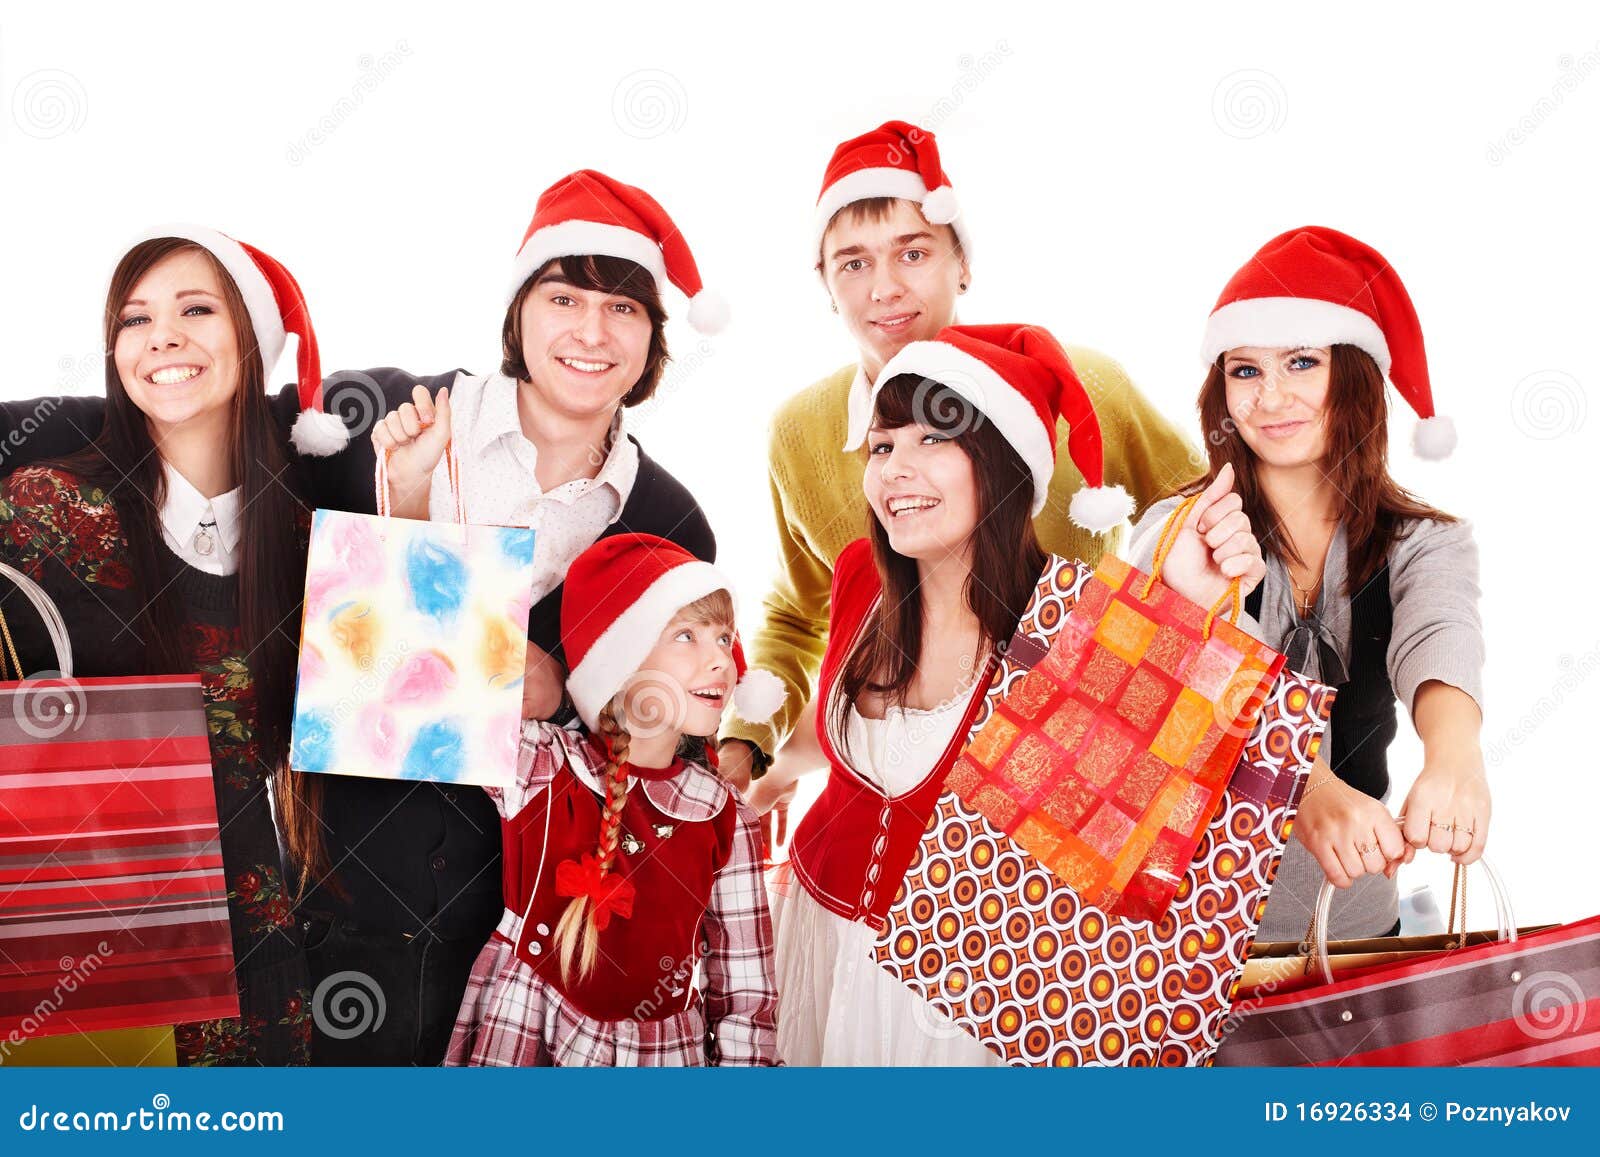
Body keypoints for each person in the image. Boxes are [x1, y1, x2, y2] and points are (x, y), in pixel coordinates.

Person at [0, 172, 724, 1064]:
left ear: (656, 337)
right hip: (322, 911)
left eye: (623, 308)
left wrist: (575, 697)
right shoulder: (371, 415)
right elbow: (187, 412)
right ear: (518, 312)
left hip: (513, 946)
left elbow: (653, 741)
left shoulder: (671, 521)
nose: (590, 331)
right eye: (563, 297)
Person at [769, 323, 1263, 1064]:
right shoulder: (858, 576)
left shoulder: (1069, 623)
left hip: (959, 990)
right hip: (813, 936)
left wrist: (1190, 607)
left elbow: (1127, 805)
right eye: (881, 445)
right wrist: (767, 771)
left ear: (1001, 463)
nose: (896, 469)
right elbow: (834, 722)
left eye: (932, 439)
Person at [718, 122, 1199, 838]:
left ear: (963, 264)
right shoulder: (799, 431)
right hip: (887, 799)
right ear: (824, 284)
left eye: (913, 252)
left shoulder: (1082, 386)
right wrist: (746, 746)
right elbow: (800, 614)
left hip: (1063, 790)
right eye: (853, 263)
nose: (885, 288)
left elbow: (1196, 515)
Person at [0, 227, 346, 1064]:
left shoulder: (306, 543)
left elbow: (390, 733)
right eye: (135, 318)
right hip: (87, 952)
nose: (162, 337)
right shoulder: (45, 513)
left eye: (196, 310)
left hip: (257, 952)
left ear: (251, 343)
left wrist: (404, 505)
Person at [1129, 225, 1488, 943]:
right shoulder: (1180, 532)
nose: (1270, 398)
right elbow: (1172, 688)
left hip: (1354, 927)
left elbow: (1440, 634)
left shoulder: (1426, 540)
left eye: (1301, 361)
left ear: (1354, 375)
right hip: (1173, 931)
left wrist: (1456, 757)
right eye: (1245, 370)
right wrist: (1311, 791)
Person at [446, 533, 781, 1066]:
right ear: (621, 662)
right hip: (526, 1031)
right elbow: (425, 663)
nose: (722, 658)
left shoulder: (726, 816)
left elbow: (747, 992)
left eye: (724, 638)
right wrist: (549, 685)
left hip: (663, 1055)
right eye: (687, 636)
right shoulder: (543, 765)